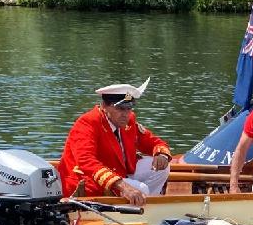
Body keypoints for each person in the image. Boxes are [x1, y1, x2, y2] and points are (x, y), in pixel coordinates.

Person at [57, 78, 172, 207]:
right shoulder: (87, 123)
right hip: (89, 182)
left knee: (163, 168)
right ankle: (137, 206)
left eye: (129, 108)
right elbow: (86, 161)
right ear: (104, 106)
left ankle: (141, 205)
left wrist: (161, 155)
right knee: (142, 190)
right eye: (121, 108)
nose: (126, 114)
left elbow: (152, 141)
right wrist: (123, 187)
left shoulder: (128, 120)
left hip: (119, 173)